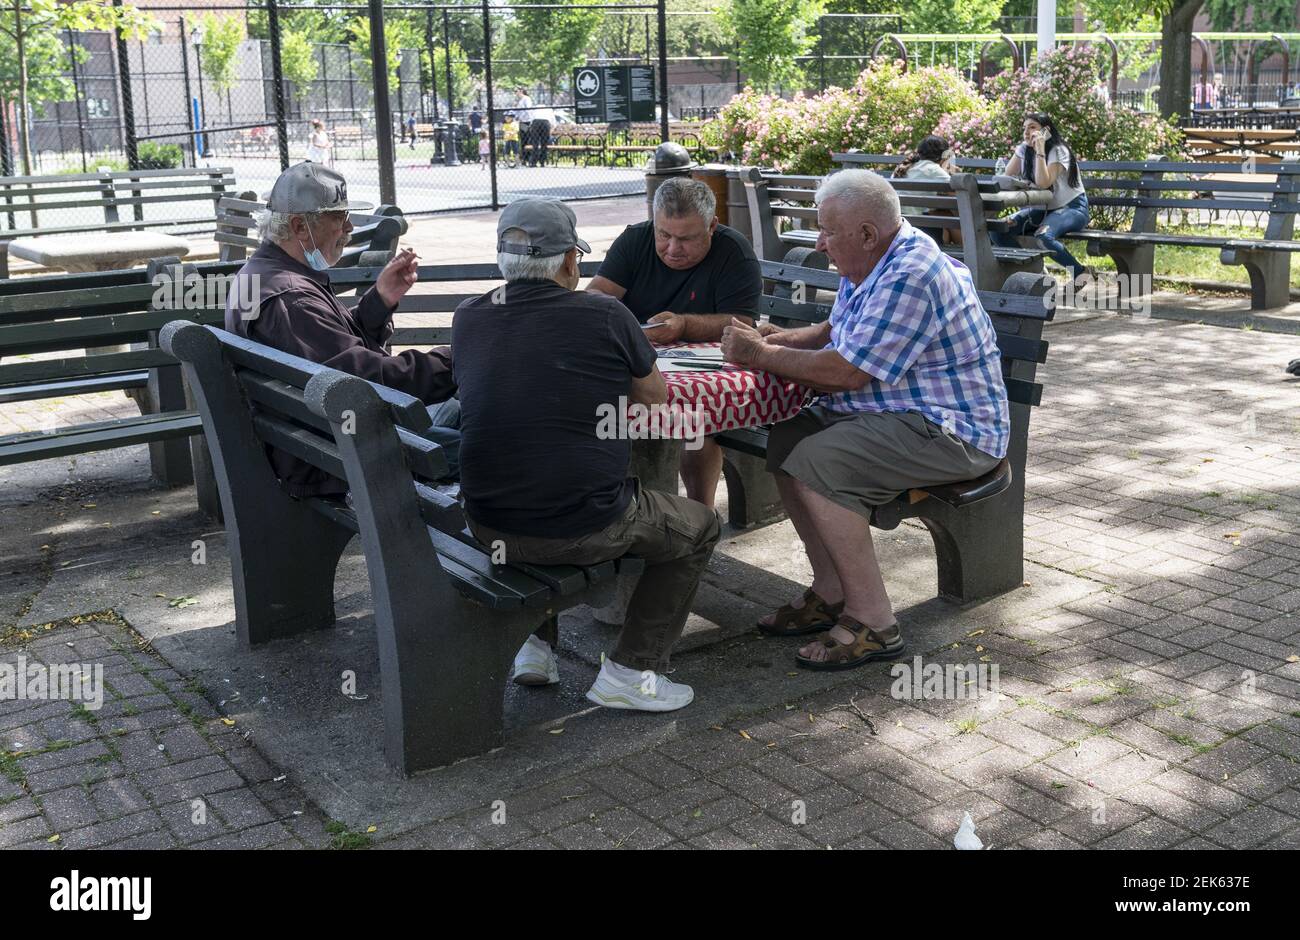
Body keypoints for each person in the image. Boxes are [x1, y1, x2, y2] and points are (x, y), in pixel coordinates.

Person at [720, 170, 1008, 671]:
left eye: (827, 230)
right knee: (789, 440)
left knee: (818, 462)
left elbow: (846, 371)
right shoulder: (878, 258)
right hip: (905, 414)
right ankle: (831, 590)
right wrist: (781, 340)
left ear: (867, 233)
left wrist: (759, 355)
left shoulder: (911, 274)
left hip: (956, 432)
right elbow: (838, 329)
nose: (819, 241)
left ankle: (874, 621)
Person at [453, 198, 721, 709]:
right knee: (698, 526)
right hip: (581, 528)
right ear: (569, 261)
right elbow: (655, 397)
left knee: (538, 462)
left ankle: (534, 647)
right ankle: (631, 670)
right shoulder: (603, 313)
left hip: (487, 523)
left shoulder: (470, 315)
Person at [225, 162, 460, 495]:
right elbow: (372, 384)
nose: (348, 227)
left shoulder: (261, 273)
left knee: (462, 414)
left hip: (313, 441)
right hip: (334, 456)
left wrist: (378, 301)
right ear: (299, 226)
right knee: (485, 448)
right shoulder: (292, 298)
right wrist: (460, 357)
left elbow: (334, 356)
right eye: (338, 218)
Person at [588, 173, 761, 510]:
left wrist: (683, 324)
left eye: (686, 239)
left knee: (698, 425)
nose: (672, 249)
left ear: (712, 227)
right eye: (664, 234)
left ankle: (700, 517)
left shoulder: (734, 252)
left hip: (705, 377)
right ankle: (625, 512)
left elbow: (743, 322)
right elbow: (595, 299)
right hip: (639, 363)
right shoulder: (635, 239)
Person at [990, 113, 1090, 286]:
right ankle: (1031, 270)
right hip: (1041, 209)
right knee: (998, 229)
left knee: (1043, 237)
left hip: (1071, 208)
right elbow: (1006, 178)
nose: (1027, 132)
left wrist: (1040, 150)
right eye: (1024, 128)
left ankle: (1080, 273)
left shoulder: (1059, 150)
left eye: (1032, 127)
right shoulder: (1023, 149)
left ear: (1046, 131)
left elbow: (1043, 182)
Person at [892, 135, 958, 241]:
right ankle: (969, 253)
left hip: (900, 228)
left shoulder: (903, 167)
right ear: (944, 155)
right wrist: (948, 170)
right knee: (951, 217)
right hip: (919, 230)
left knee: (944, 214)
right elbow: (959, 195)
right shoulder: (934, 170)